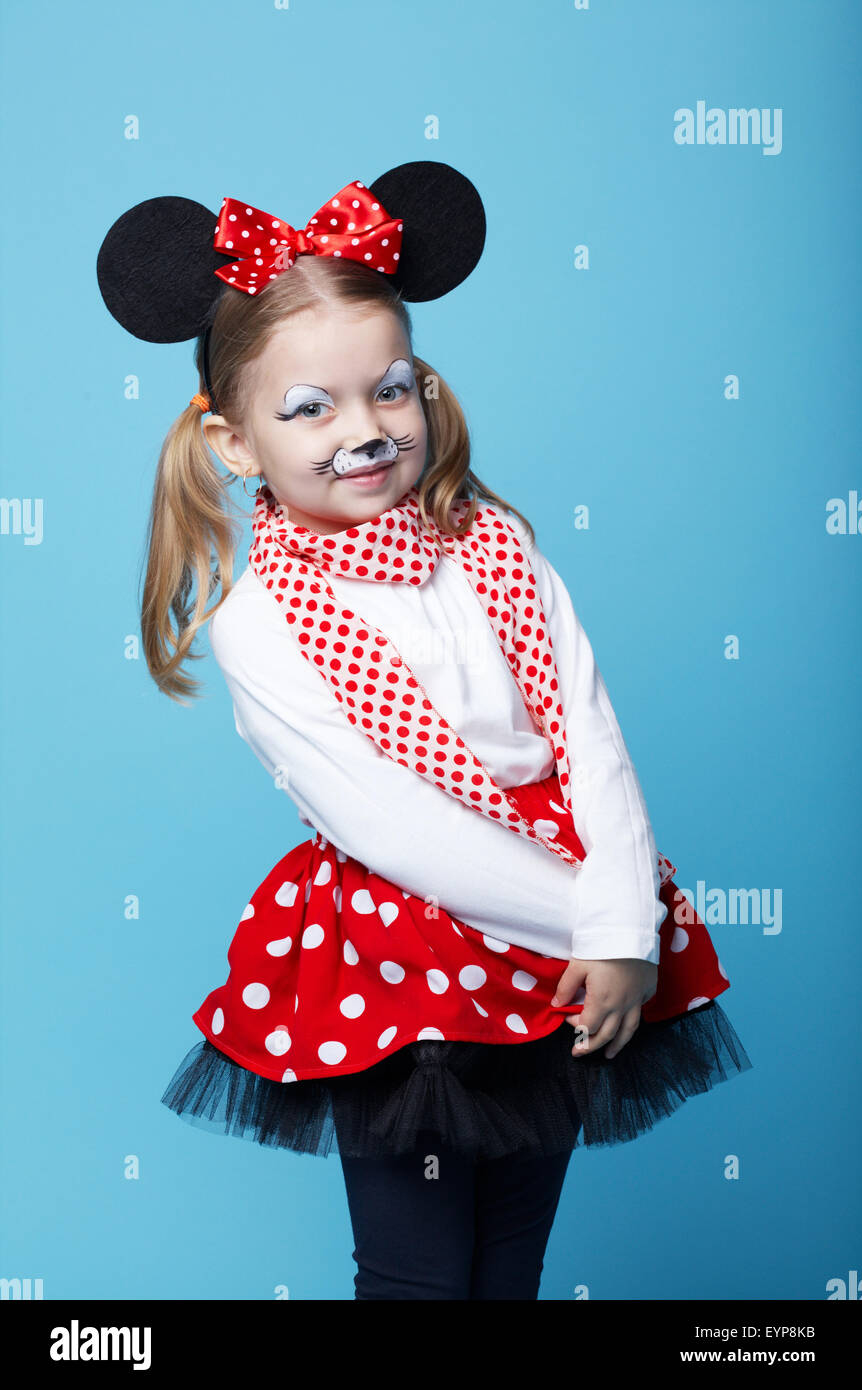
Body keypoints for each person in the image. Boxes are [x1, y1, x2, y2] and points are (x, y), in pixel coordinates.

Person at [96, 162, 752, 1300]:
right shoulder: (264, 623)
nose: (364, 432)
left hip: (571, 922)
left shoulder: (495, 545)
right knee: (415, 1276)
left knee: (510, 1267)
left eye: (389, 391)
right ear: (236, 442)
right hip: (409, 958)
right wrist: (597, 925)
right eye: (310, 408)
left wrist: (622, 924)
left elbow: (587, 734)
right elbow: (392, 821)